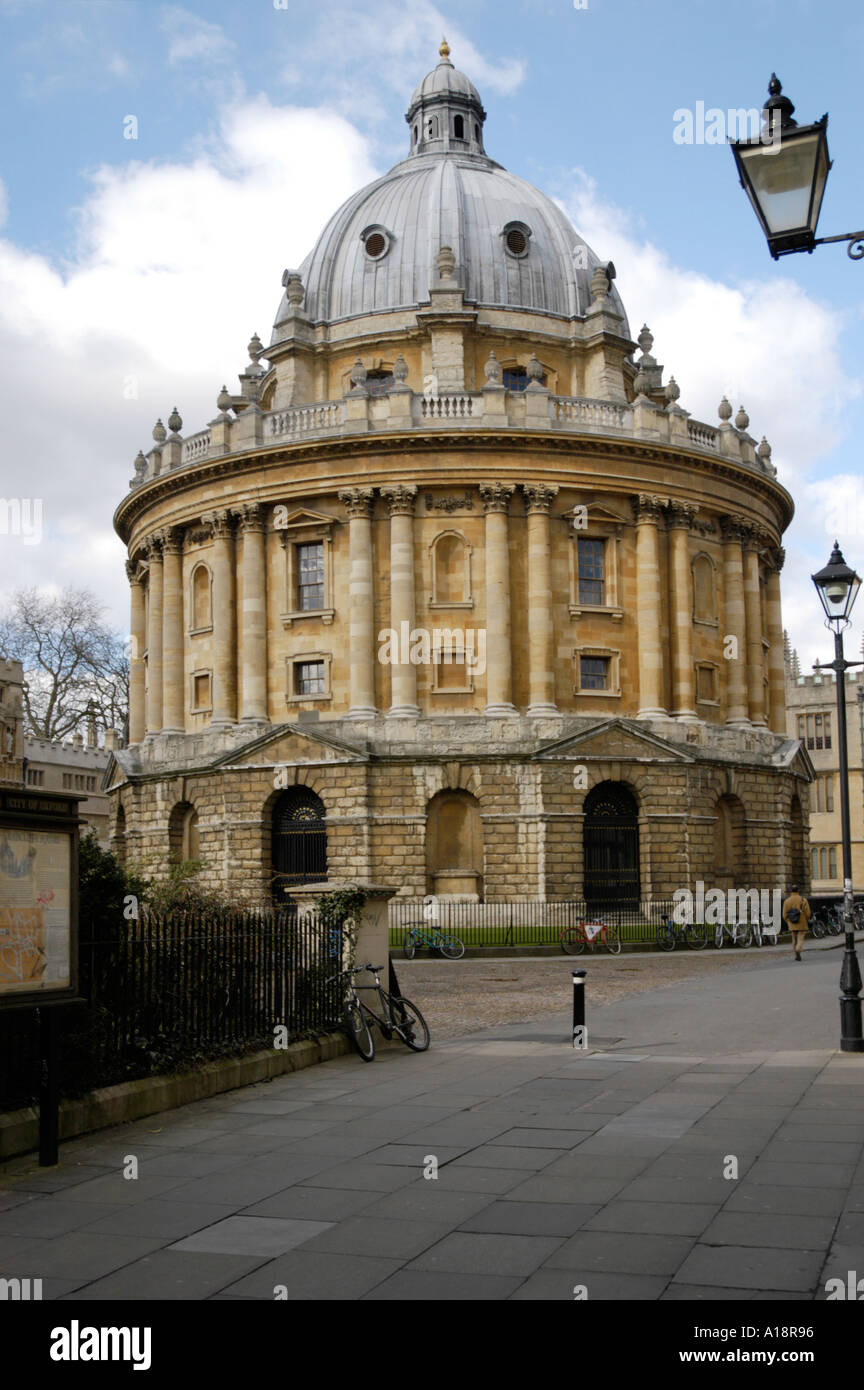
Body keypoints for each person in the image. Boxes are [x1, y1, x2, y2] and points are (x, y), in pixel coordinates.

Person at [782, 885, 811, 962]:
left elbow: (784, 914)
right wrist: (806, 919)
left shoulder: (787, 901)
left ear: (791, 891)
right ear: (798, 890)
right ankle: (798, 950)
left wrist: (788, 921)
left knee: (794, 939)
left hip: (792, 922)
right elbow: (808, 913)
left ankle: (796, 954)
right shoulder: (803, 900)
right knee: (800, 938)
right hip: (802, 922)